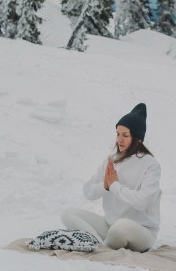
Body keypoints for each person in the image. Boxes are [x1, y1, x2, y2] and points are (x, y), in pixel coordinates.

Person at [60, 103, 161, 252]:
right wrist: (105, 186)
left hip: (141, 232)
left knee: (120, 227)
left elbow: (142, 202)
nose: (120, 139)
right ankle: (98, 247)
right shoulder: (112, 160)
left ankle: (103, 246)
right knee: (68, 214)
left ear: (137, 138)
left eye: (125, 135)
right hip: (111, 226)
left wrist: (114, 186)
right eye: (118, 134)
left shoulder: (151, 165)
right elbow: (88, 191)